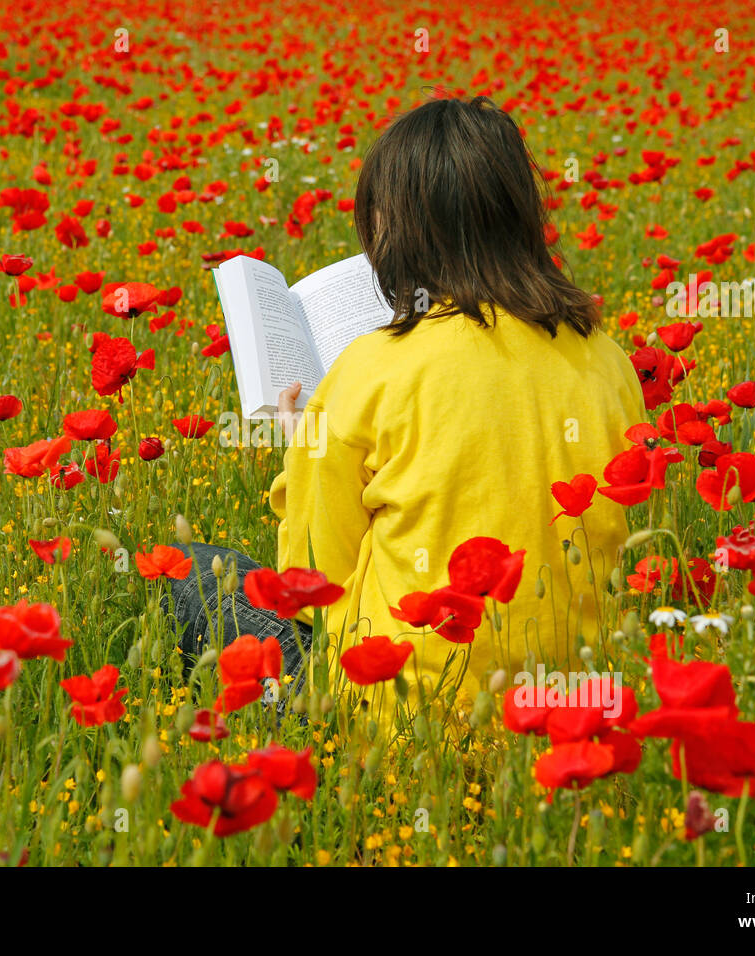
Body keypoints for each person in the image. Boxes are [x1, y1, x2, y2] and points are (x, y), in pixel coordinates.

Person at [166, 96, 647, 728]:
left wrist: (302, 447)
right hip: (572, 717)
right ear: (522, 217)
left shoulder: (372, 368)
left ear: (394, 233)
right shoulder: (609, 360)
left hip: (401, 723)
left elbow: (311, 583)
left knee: (195, 571)